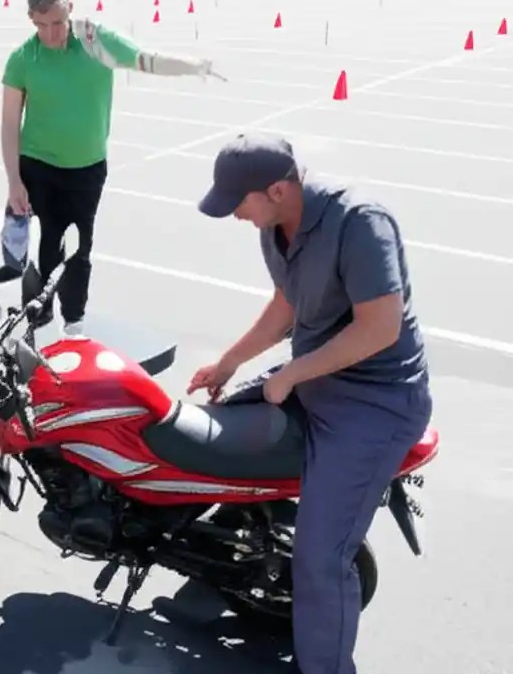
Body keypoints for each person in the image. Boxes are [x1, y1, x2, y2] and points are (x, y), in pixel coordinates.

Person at [188, 133, 432, 674]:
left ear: (277, 189)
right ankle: (220, 557)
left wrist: (293, 373)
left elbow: (380, 328)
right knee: (208, 439)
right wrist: (229, 362)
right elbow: (287, 304)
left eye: (239, 204)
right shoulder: (275, 226)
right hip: (316, 378)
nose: (235, 216)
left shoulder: (361, 222)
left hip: (375, 403)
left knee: (321, 559)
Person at [0, 0, 221, 333]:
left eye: (58, 23)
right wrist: (13, 181)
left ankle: (74, 321)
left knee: (81, 246)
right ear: (31, 19)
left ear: (71, 9)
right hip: (38, 165)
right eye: (41, 25)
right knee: (47, 241)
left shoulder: (95, 42)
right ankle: (36, 314)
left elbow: (146, 60)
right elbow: (9, 124)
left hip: (87, 167)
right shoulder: (23, 59)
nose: (51, 34)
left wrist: (195, 66)